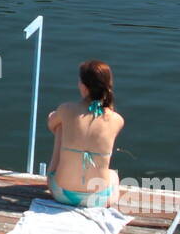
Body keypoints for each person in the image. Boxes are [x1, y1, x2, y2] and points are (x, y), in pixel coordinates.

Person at [45, 60, 123, 208]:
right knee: (113, 174)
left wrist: (57, 118)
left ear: (84, 87)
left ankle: (52, 172)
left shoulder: (66, 109)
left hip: (60, 193)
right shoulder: (117, 120)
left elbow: (51, 125)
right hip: (100, 199)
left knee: (60, 125)